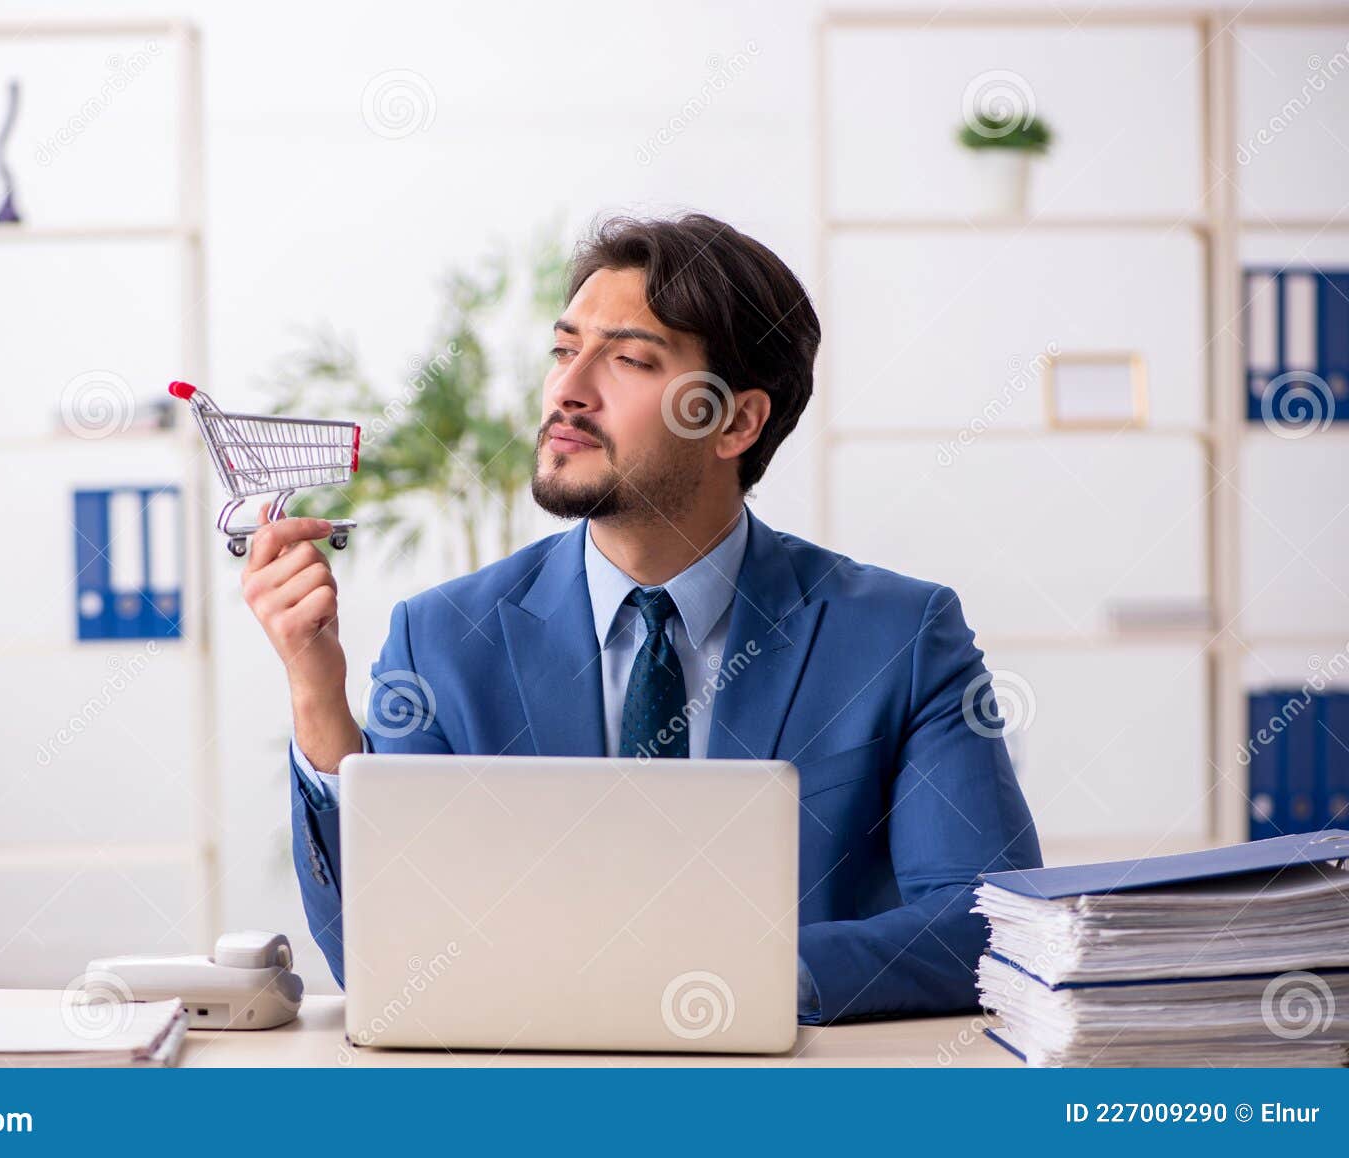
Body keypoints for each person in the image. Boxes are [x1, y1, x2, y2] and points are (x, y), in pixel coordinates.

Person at [241, 213, 1041, 1024]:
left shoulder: (900, 638)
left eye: (627, 359)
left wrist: (731, 979)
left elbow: (986, 928)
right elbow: (383, 957)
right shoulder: (446, 639)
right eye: (563, 350)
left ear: (735, 421)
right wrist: (315, 689)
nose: (568, 389)